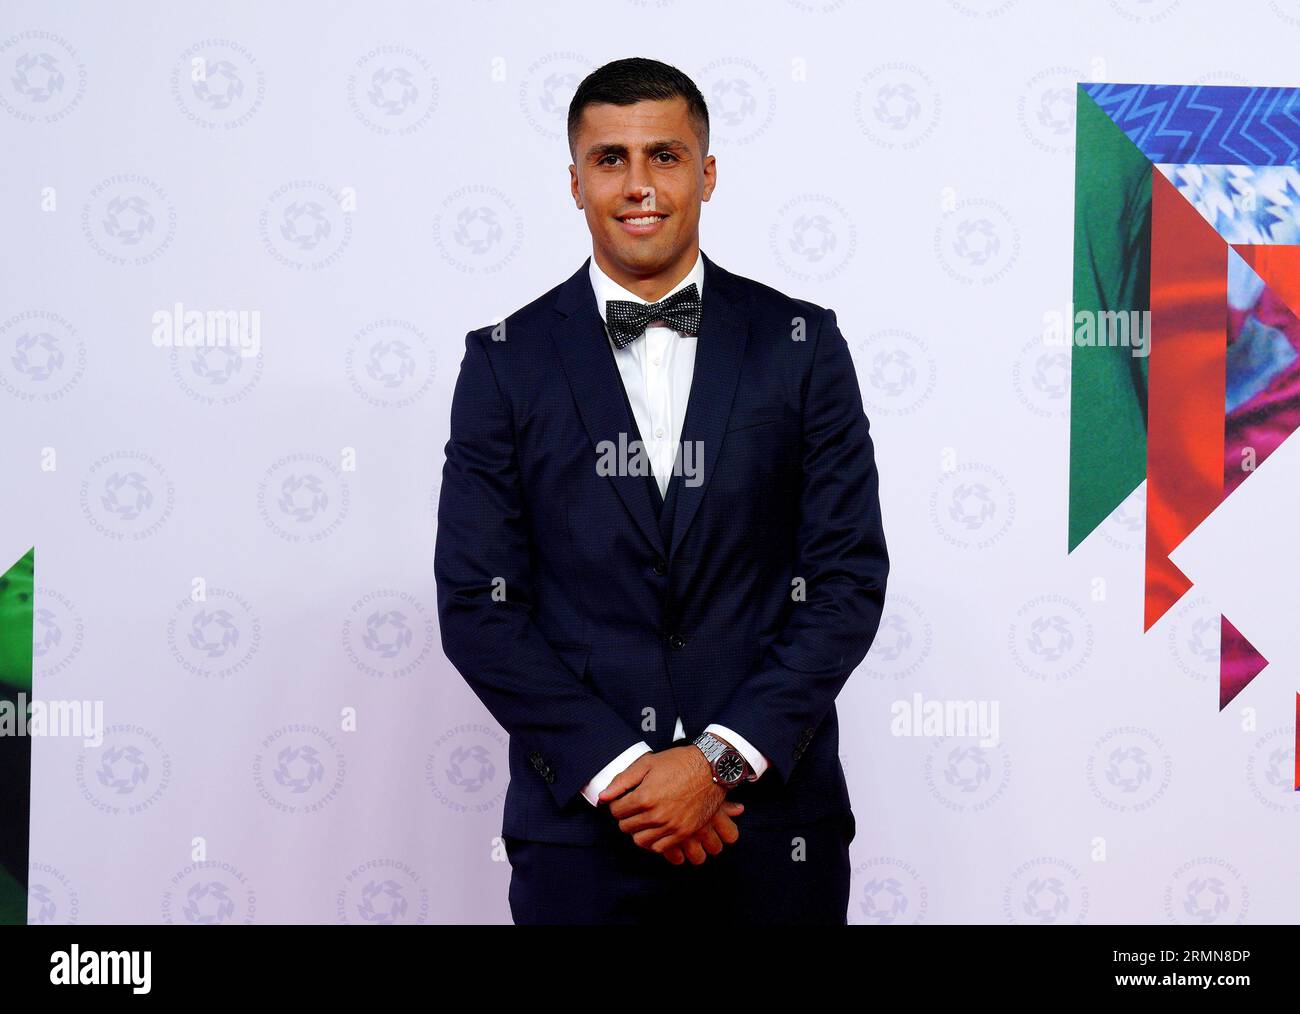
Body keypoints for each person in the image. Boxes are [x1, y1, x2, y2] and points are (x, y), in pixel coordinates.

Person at [434, 57, 888, 924]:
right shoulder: (503, 362)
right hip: (583, 836)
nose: (639, 184)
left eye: (665, 156)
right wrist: (630, 776)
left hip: (774, 833)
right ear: (574, 182)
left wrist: (713, 765)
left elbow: (845, 583)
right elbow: (478, 605)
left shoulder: (802, 345)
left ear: (707, 172)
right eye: (611, 159)